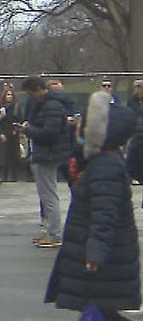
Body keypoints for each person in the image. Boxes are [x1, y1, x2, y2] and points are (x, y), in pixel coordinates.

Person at [45, 91, 141, 320]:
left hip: (101, 260)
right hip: (103, 255)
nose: (78, 127)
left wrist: (95, 254)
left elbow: (104, 214)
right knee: (99, 311)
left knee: (98, 311)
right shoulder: (102, 162)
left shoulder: (104, 167)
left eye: (84, 123)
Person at [20, 75, 72, 249]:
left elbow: (50, 133)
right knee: (46, 194)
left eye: (30, 93)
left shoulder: (51, 106)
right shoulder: (47, 105)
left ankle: (55, 234)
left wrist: (28, 130)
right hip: (45, 153)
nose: (30, 97)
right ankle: (50, 231)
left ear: (38, 90)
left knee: (49, 195)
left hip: (49, 154)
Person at [0, 86, 24, 182]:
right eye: (7, 95)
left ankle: (14, 177)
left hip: (14, 133)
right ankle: (4, 176)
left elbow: (20, 119)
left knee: (15, 155)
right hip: (3, 133)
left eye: (11, 95)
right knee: (4, 156)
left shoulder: (16, 106)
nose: (9, 97)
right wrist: (1, 117)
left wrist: (19, 130)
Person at [127, 79, 143, 183]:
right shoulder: (132, 101)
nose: (138, 90)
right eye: (136, 87)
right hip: (136, 135)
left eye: (140, 87)